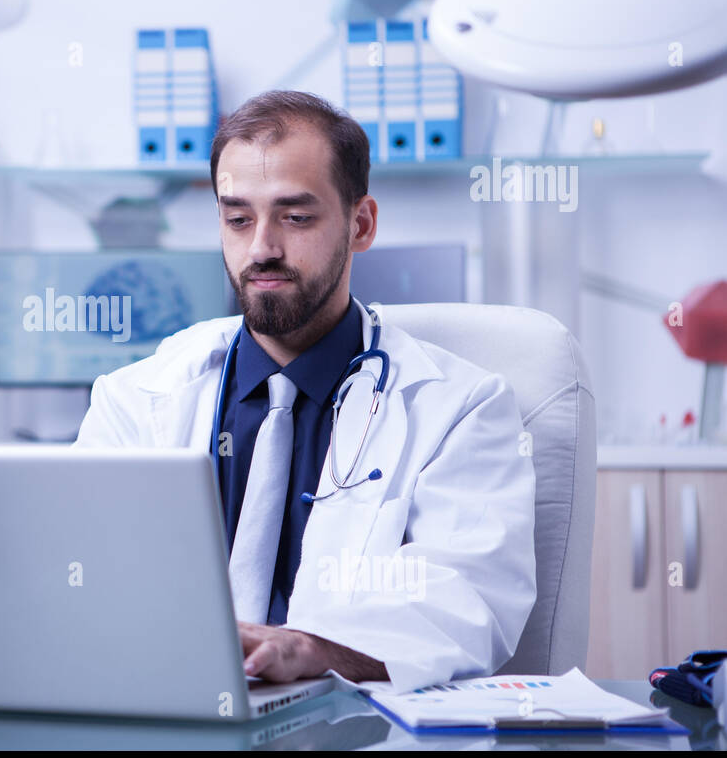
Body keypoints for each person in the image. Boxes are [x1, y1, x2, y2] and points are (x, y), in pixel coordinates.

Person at [73, 90, 536, 692]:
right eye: (238, 218)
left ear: (360, 223)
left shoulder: (460, 408)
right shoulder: (134, 400)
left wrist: (311, 650)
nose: (261, 247)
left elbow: (470, 600)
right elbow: (79, 579)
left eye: (294, 217)